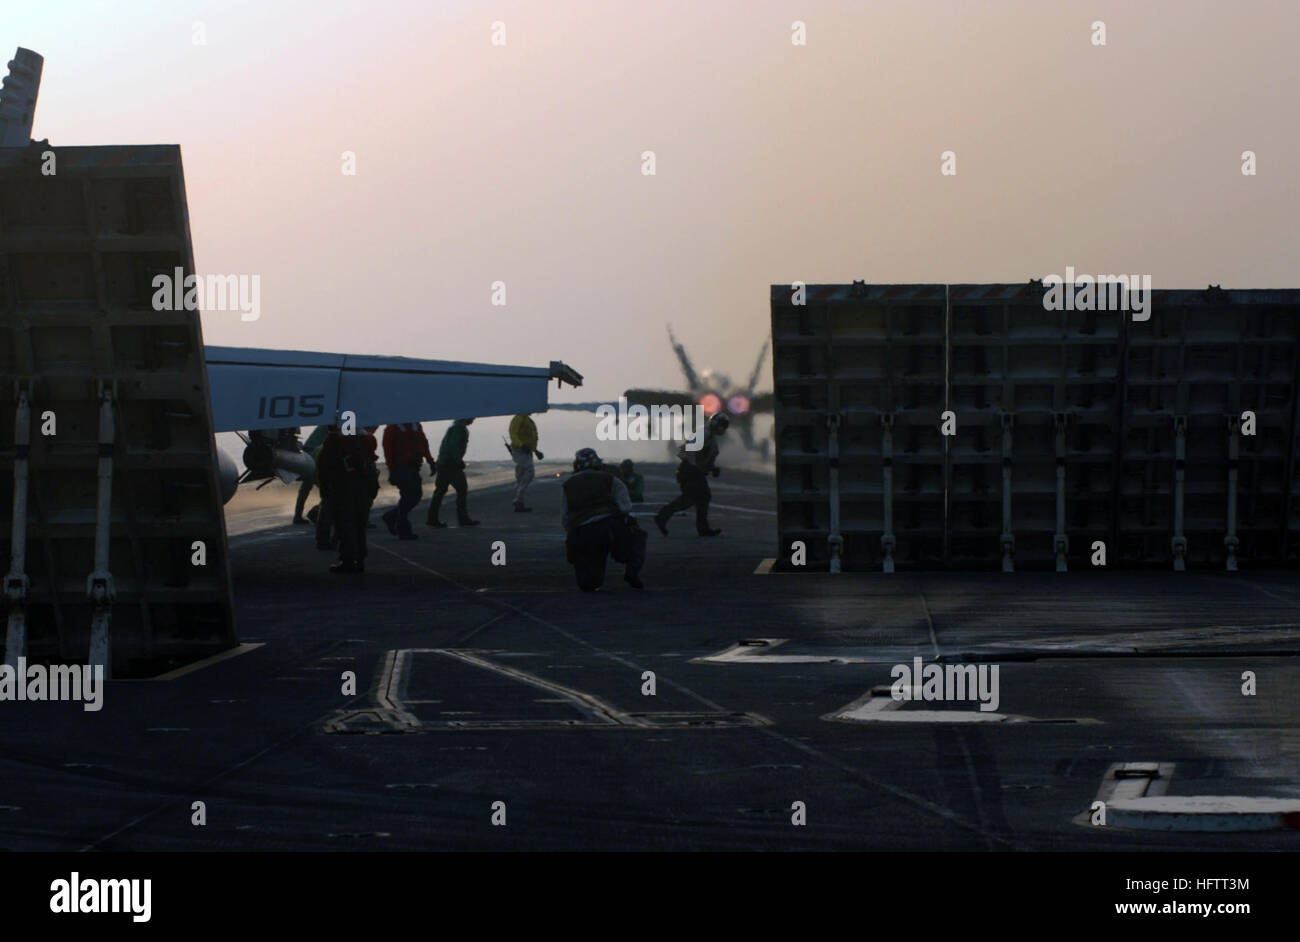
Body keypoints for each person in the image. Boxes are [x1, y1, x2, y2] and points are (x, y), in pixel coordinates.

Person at [562, 448, 645, 591]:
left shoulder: (569, 484)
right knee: (639, 536)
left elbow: (565, 517)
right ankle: (632, 571)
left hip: (580, 534)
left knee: (589, 584)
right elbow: (626, 507)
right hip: (608, 529)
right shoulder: (610, 479)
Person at [317, 425, 380, 573]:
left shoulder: (333, 440)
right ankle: (360, 559)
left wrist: (325, 489)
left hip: (342, 487)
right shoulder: (366, 439)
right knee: (360, 523)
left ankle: (347, 560)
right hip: (363, 486)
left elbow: (324, 466)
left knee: (345, 524)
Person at [654, 413, 729, 537]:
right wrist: (693, 466)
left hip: (694, 471)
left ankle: (702, 528)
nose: (722, 428)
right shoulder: (703, 433)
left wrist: (712, 468)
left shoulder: (711, 438)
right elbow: (688, 450)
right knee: (691, 499)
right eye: (721, 425)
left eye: (724, 426)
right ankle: (662, 516)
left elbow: (705, 459)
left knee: (702, 498)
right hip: (689, 470)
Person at [381, 423, 435, 540]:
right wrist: (392, 470)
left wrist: (430, 460)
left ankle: (391, 517)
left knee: (412, 496)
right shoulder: (392, 428)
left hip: (414, 467)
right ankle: (403, 529)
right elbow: (388, 450)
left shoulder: (416, 425)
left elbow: (424, 443)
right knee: (410, 496)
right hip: (401, 468)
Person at [427, 418, 479, 528]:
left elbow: (446, 446)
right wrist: (458, 461)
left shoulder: (454, 427)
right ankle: (463, 518)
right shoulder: (460, 429)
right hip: (450, 464)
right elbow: (454, 446)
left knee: (440, 491)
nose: (474, 419)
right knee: (462, 489)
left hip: (443, 462)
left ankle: (432, 518)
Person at [507, 412, 543, 512]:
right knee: (529, 472)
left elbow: (531, 437)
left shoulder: (528, 420)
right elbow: (513, 434)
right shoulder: (518, 418)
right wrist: (521, 445)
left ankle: (519, 502)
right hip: (520, 451)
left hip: (526, 452)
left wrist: (535, 451)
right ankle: (518, 499)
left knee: (521, 476)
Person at [293, 425, 329, 524]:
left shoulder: (325, 424)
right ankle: (316, 513)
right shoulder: (338, 424)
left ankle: (298, 516)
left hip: (308, 453)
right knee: (328, 490)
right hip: (316, 455)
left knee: (305, 488)